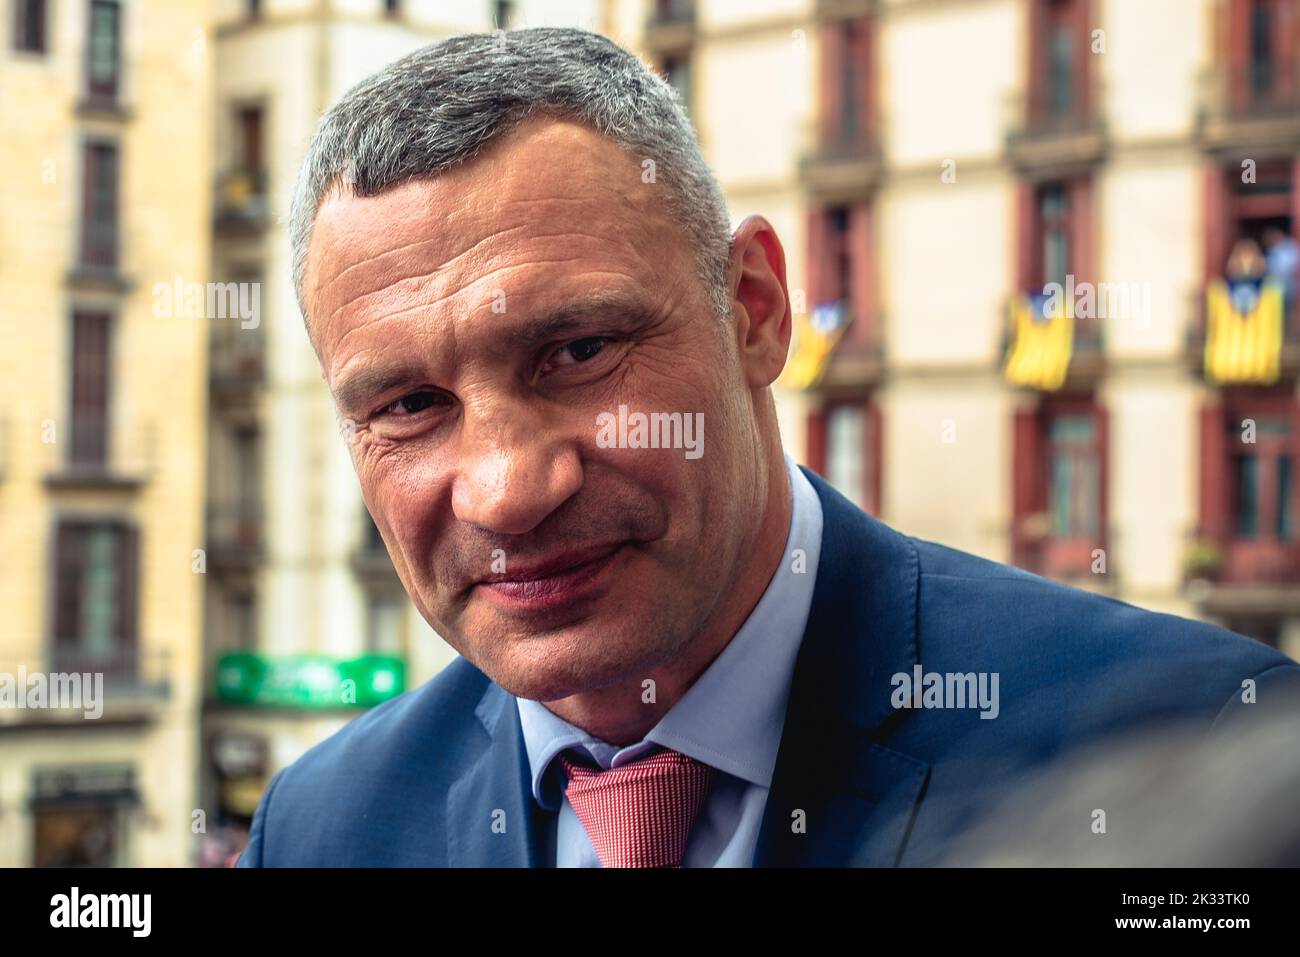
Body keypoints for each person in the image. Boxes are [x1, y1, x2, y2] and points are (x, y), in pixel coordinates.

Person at [238, 28, 1300, 868]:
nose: (508, 490)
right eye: (409, 406)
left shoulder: (1201, 747)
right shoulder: (327, 826)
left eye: (579, 349)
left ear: (753, 309)